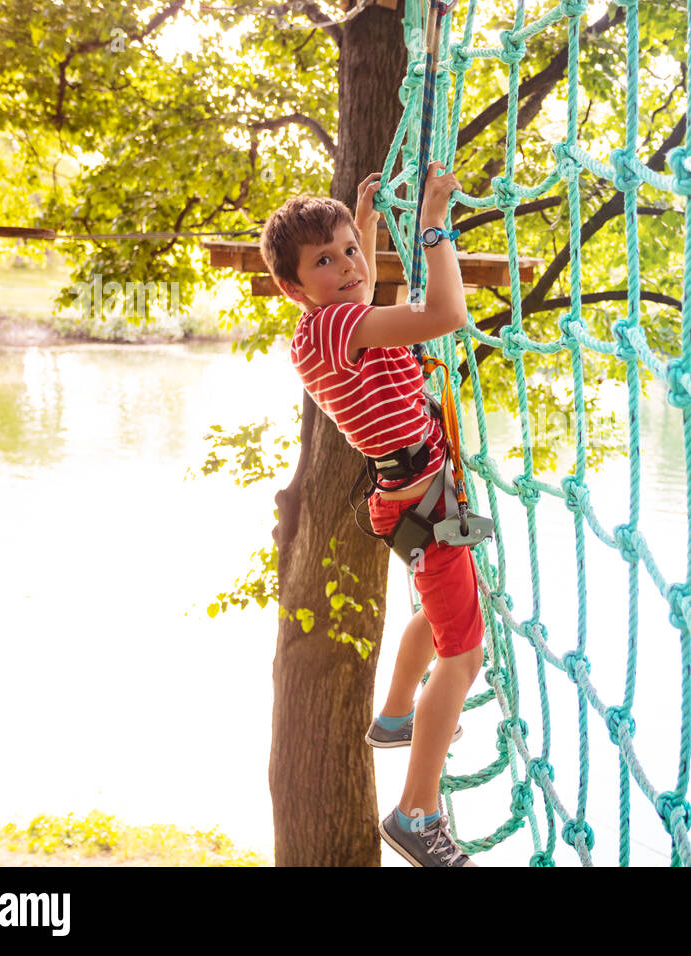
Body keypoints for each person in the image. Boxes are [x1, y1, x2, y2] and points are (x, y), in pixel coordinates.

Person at [259, 162, 483, 868]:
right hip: (422, 496)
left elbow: (365, 289)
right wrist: (433, 226)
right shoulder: (336, 329)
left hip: (409, 497)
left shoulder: (326, 328)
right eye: (323, 261)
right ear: (293, 289)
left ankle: (392, 718)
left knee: (438, 611)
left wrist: (367, 225)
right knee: (464, 653)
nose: (348, 267)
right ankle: (416, 812)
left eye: (350, 249)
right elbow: (445, 314)